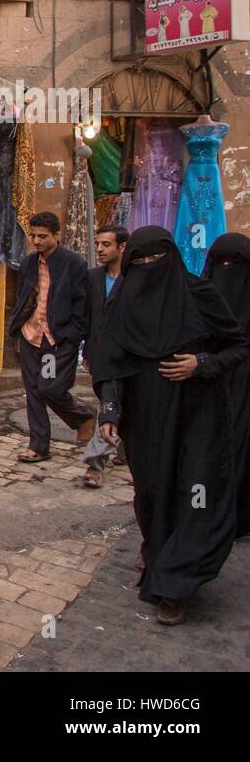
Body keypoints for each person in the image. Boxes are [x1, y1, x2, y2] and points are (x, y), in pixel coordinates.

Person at [96, 227, 246, 625]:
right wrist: (110, 412)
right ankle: (159, 553)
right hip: (144, 418)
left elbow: (238, 346)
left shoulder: (201, 295)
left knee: (194, 490)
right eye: (140, 264)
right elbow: (109, 362)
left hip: (200, 414)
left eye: (156, 263)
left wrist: (203, 364)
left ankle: (175, 585)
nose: (149, 271)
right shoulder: (121, 301)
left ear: (173, 260)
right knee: (151, 493)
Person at [8, 211, 95, 462]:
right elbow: (23, 297)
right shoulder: (27, 264)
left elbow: (81, 302)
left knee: (49, 388)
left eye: (42, 236)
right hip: (31, 335)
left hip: (57, 339)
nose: (36, 241)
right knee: (33, 391)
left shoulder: (73, 263)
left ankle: (82, 417)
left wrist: (71, 335)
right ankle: (38, 445)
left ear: (57, 235)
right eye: (33, 236)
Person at [202, 232, 250, 538]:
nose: (227, 271)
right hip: (212, 380)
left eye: (236, 265)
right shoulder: (201, 300)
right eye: (221, 264)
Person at [81, 225, 128, 488]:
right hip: (99, 354)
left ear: (121, 247)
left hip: (125, 356)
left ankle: (95, 464)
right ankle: (123, 452)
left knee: (111, 408)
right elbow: (88, 317)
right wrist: (87, 350)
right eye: (98, 243)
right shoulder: (93, 277)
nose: (99, 249)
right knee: (111, 403)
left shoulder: (133, 278)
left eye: (106, 244)